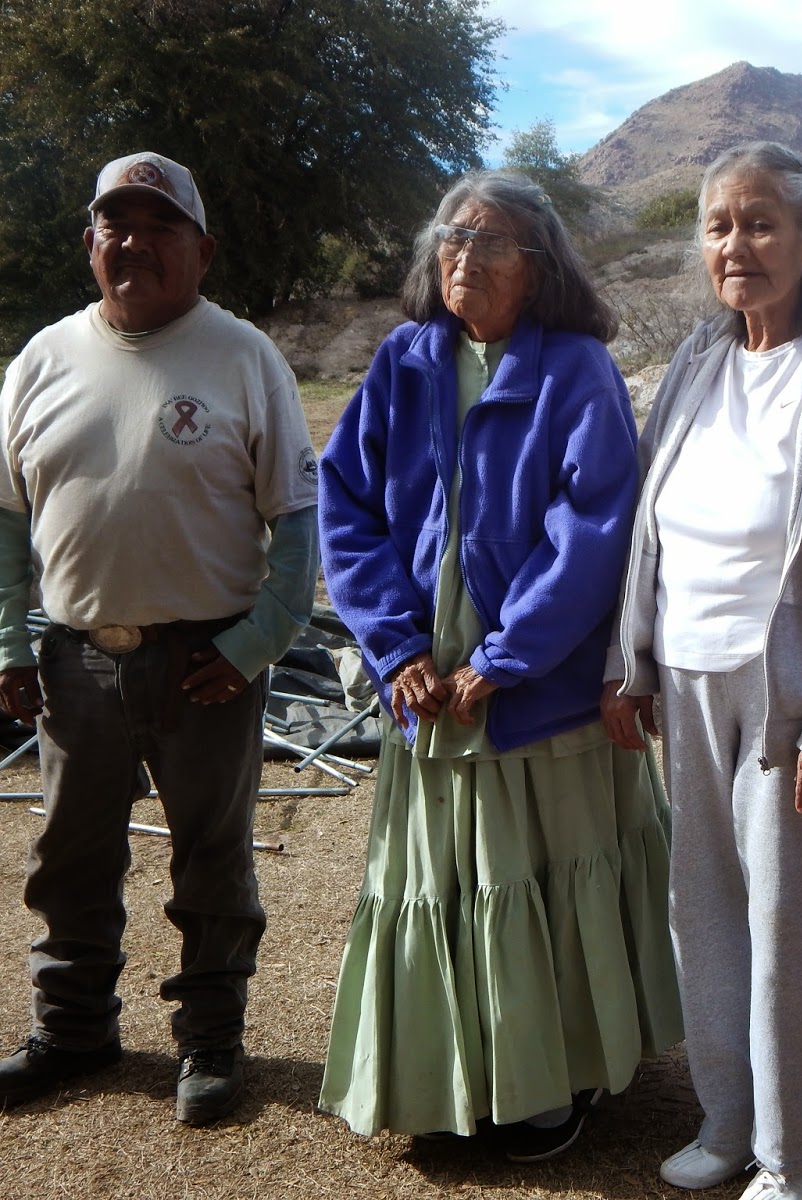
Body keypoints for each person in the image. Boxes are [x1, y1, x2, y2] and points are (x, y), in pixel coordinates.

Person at [317, 170, 681, 1160]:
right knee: (440, 877)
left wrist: (506, 657)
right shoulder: (404, 361)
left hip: (535, 688)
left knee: (535, 874)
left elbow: (593, 530)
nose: (462, 258)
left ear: (539, 268)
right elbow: (345, 507)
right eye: (450, 238)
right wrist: (396, 649)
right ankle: (450, 1083)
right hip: (428, 688)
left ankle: (547, 1084)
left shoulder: (576, 371)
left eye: (490, 243)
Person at [601, 141, 802, 1200]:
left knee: (790, 930)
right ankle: (728, 1123)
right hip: (683, 676)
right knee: (705, 913)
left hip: (785, 697)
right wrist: (628, 657)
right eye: (721, 226)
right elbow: (648, 530)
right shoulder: (694, 362)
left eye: (763, 222)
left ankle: (801, 1154)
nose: (740, 245)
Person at [0, 151, 319, 1124]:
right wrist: (11, 644)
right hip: (73, 656)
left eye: (159, 225)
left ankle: (210, 1044)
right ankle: (74, 1029)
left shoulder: (243, 357)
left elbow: (298, 525)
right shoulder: (40, 360)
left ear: (203, 249)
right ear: (90, 242)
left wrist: (255, 643)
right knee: (70, 857)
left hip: (206, 663)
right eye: (115, 224)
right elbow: (8, 522)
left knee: (211, 859)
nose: (133, 242)